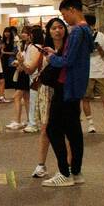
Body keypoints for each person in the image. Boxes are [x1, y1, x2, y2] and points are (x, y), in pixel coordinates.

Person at [37, 0, 93, 187]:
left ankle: (64, 172)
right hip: (76, 86)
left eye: (64, 14)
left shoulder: (77, 31)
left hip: (66, 86)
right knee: (74, 131)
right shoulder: (87, 31)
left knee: (53, 129)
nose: (64, 19)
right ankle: (76, 172)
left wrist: (51, 57)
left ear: (72, 10)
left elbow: (67, 61)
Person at [31, 17, 66, 175]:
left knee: (67, 130)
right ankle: (41, 164)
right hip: (46, 91)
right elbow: (31, 69)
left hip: (64, 90)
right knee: (45, 128)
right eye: (53, 28)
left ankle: (69, 168)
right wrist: (21, 63)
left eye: (60, 27)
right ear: (49, 31)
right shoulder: (45, 49)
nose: (57, 31)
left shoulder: (68, 48)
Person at [82, 13, 104, 132]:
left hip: (99, 72)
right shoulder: (81, 36)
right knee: (85, 99)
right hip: (86, 73)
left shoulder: (100, 36)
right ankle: (90, 124)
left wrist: (98, 48)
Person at [8, 26, 39, 130]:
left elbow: (30, 62)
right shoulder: (24, 45)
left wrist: (21, 63)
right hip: (23, 73)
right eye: (23, 32)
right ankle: (29, 120)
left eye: (27, 33)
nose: (24, 34)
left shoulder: (33, 46)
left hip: (26, 74)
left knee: (17, 96)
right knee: (26, 98)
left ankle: (18, 121)